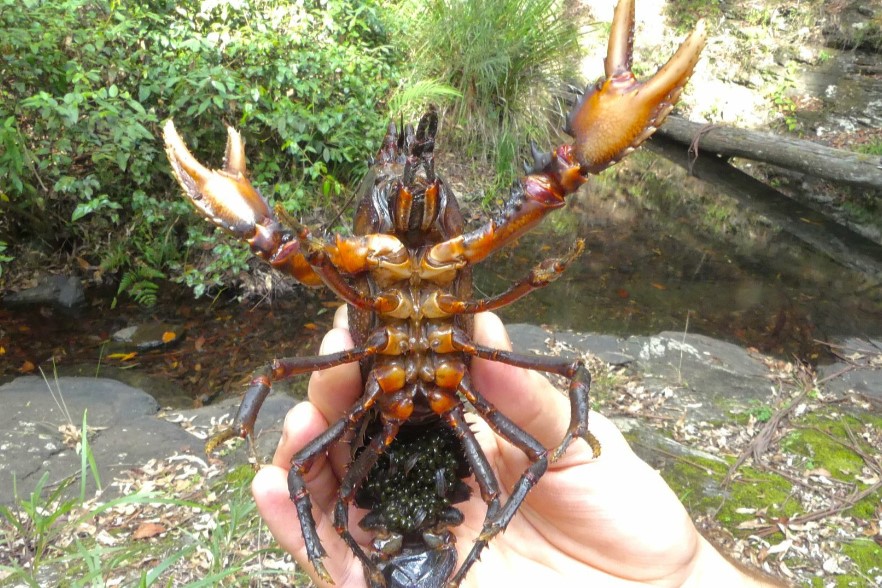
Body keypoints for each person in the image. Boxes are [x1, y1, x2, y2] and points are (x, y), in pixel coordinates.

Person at [252, 308, 786, 587]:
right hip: (427, 432)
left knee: (308, 452)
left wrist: (685, 580)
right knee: (305, 451)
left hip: (402, 451)